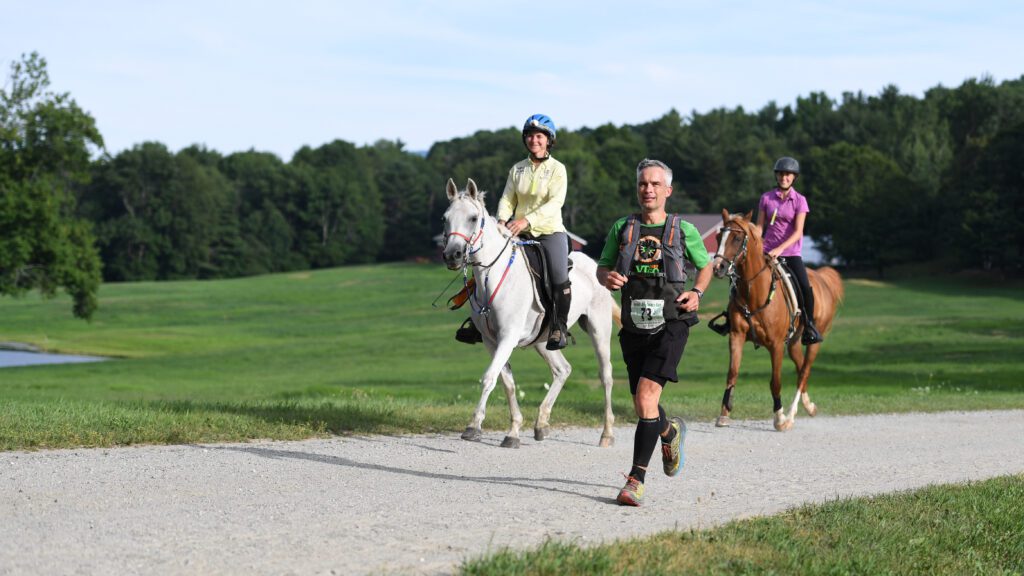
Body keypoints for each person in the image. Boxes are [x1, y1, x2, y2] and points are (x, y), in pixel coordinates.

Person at [596, 158, 712, 507]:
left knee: (646, 398)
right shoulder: (623, 228)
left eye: (655, 184)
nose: (648, 189)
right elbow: (603, 268)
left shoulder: (683, 229)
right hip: (633, 325)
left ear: (668, 191)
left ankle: (635, 480)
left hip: (672, 322)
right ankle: (669, 431)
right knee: (644, 404)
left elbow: (704, 267)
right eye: (643, 184)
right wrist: (608, 278)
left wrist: (698, 292)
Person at [456, 113, 572, 350]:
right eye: (529, 136)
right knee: (487, 264)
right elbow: (508, 198)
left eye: (539, 136)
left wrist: (526, 221)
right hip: (518, 231)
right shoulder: (517, 169)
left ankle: (559, 327)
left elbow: (554, 204)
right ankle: (478, 321)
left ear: (549, 140)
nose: (534, 140)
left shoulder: (558, 170)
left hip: (549, 232)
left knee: (559, 277)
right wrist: (501, 219)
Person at [757, 156, 822, 345]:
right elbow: (759, 227)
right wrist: (759, 245)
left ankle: (809, 325)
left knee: (804, 286)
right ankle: (730, 318)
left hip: (790, 253)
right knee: (742, 277)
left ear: (794, 178)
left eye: (788, 174)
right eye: (781, 174)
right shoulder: (766, 198)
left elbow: (798, 232)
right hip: (766, 251)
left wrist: (779, 249)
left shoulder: (800, 201)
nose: (784, 177)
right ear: (776, 176)